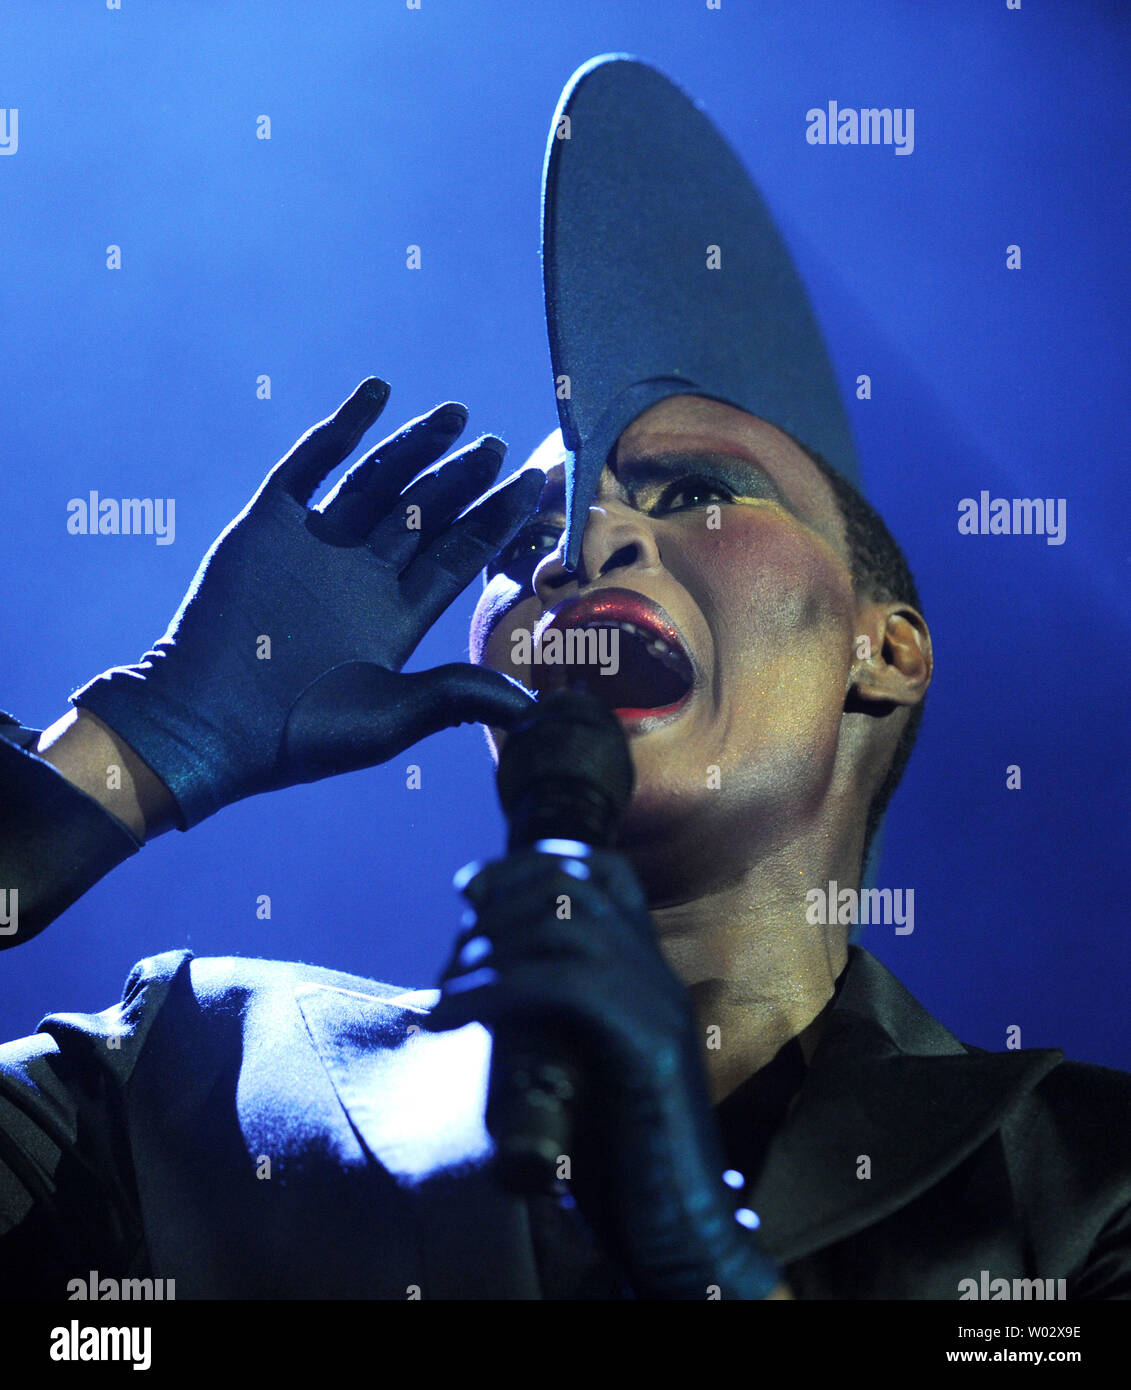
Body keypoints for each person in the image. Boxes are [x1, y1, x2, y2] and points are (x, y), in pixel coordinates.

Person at [2, 57, 1129, 1302]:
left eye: (694, 490)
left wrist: (692, 1243)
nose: (584, 549)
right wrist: (122, 759)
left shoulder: (1088, 1174)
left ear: (888, 649)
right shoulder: (201, 1076)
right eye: (533, 538)